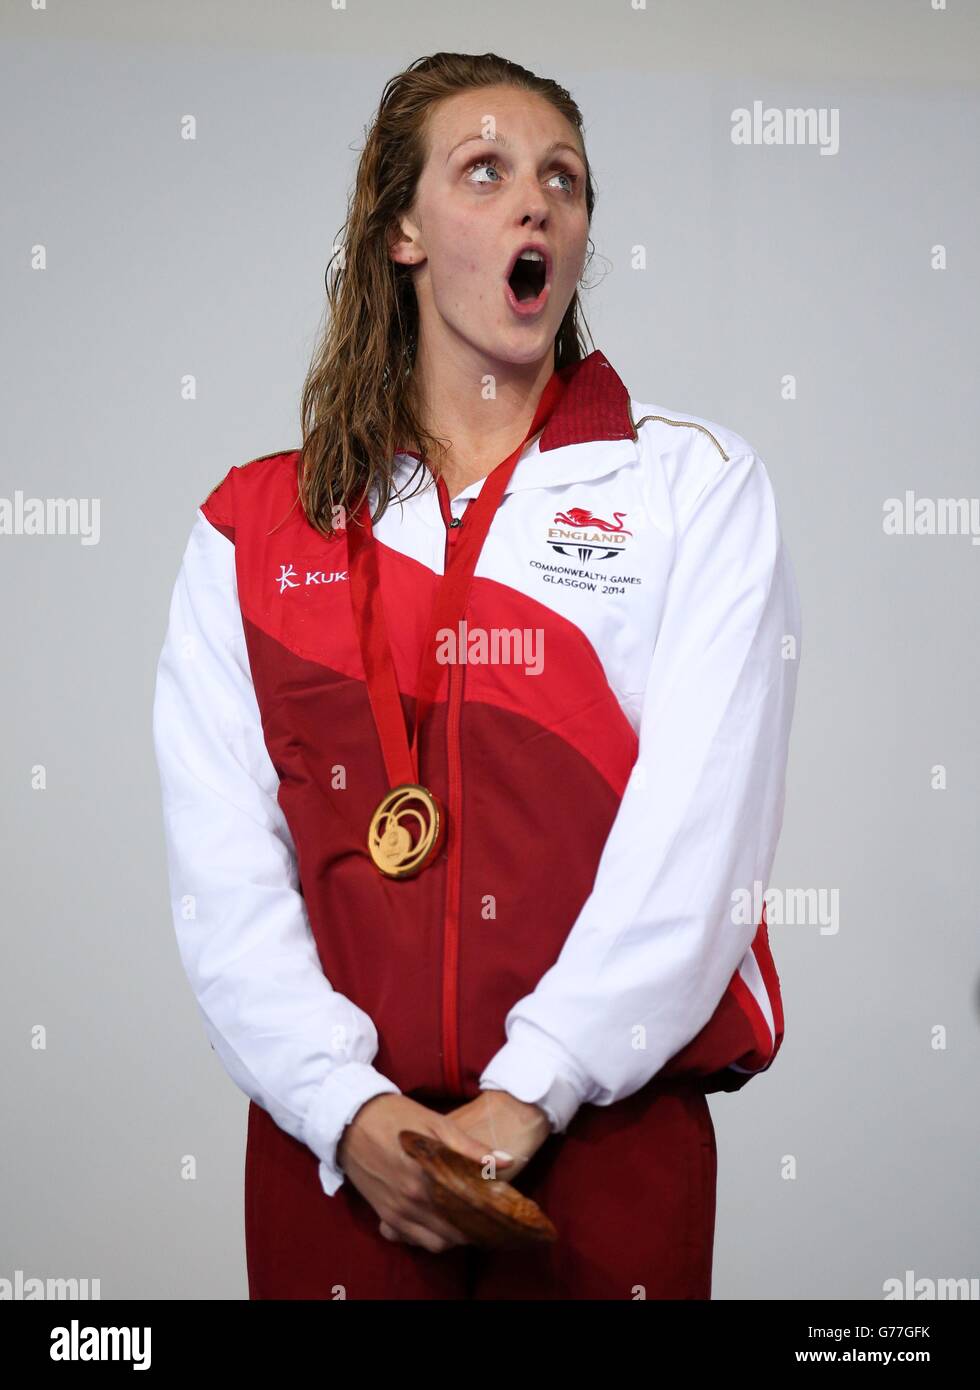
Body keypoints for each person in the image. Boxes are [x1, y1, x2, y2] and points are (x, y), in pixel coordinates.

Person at [152, 51, 801, 1300]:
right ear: (399, 229)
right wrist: (348, 1110)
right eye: (486, 170)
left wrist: (531, 1089)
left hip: (605, 1138)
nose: (536, 204)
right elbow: (221, 879)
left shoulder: (691, 489)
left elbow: (699, 847)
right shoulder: (253, 530)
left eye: (563, 178)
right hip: (340, 1156)